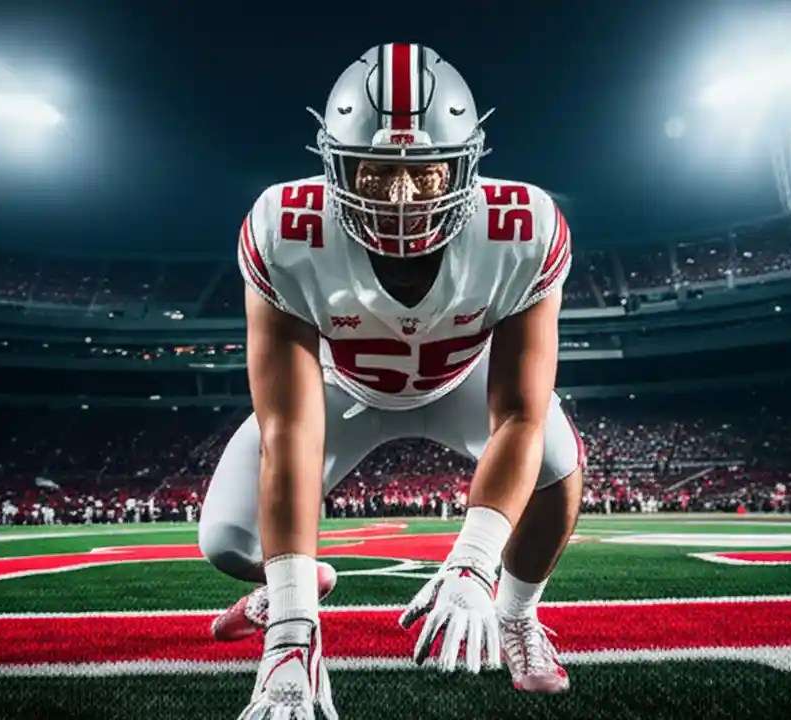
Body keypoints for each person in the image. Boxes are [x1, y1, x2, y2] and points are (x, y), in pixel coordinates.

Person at [199, 43, 584, 720]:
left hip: (462, 380)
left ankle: (518, 616)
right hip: (339, 387)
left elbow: (520, 415)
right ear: (336, 166)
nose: (401, 199)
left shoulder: (522, 229)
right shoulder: (284, 229)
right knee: (227, 540)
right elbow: (289, 430)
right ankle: (293, 588)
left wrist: (474, 561)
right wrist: (292, 630)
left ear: (463, 165)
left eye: (425, 173)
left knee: (559, 464)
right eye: (376, 173)